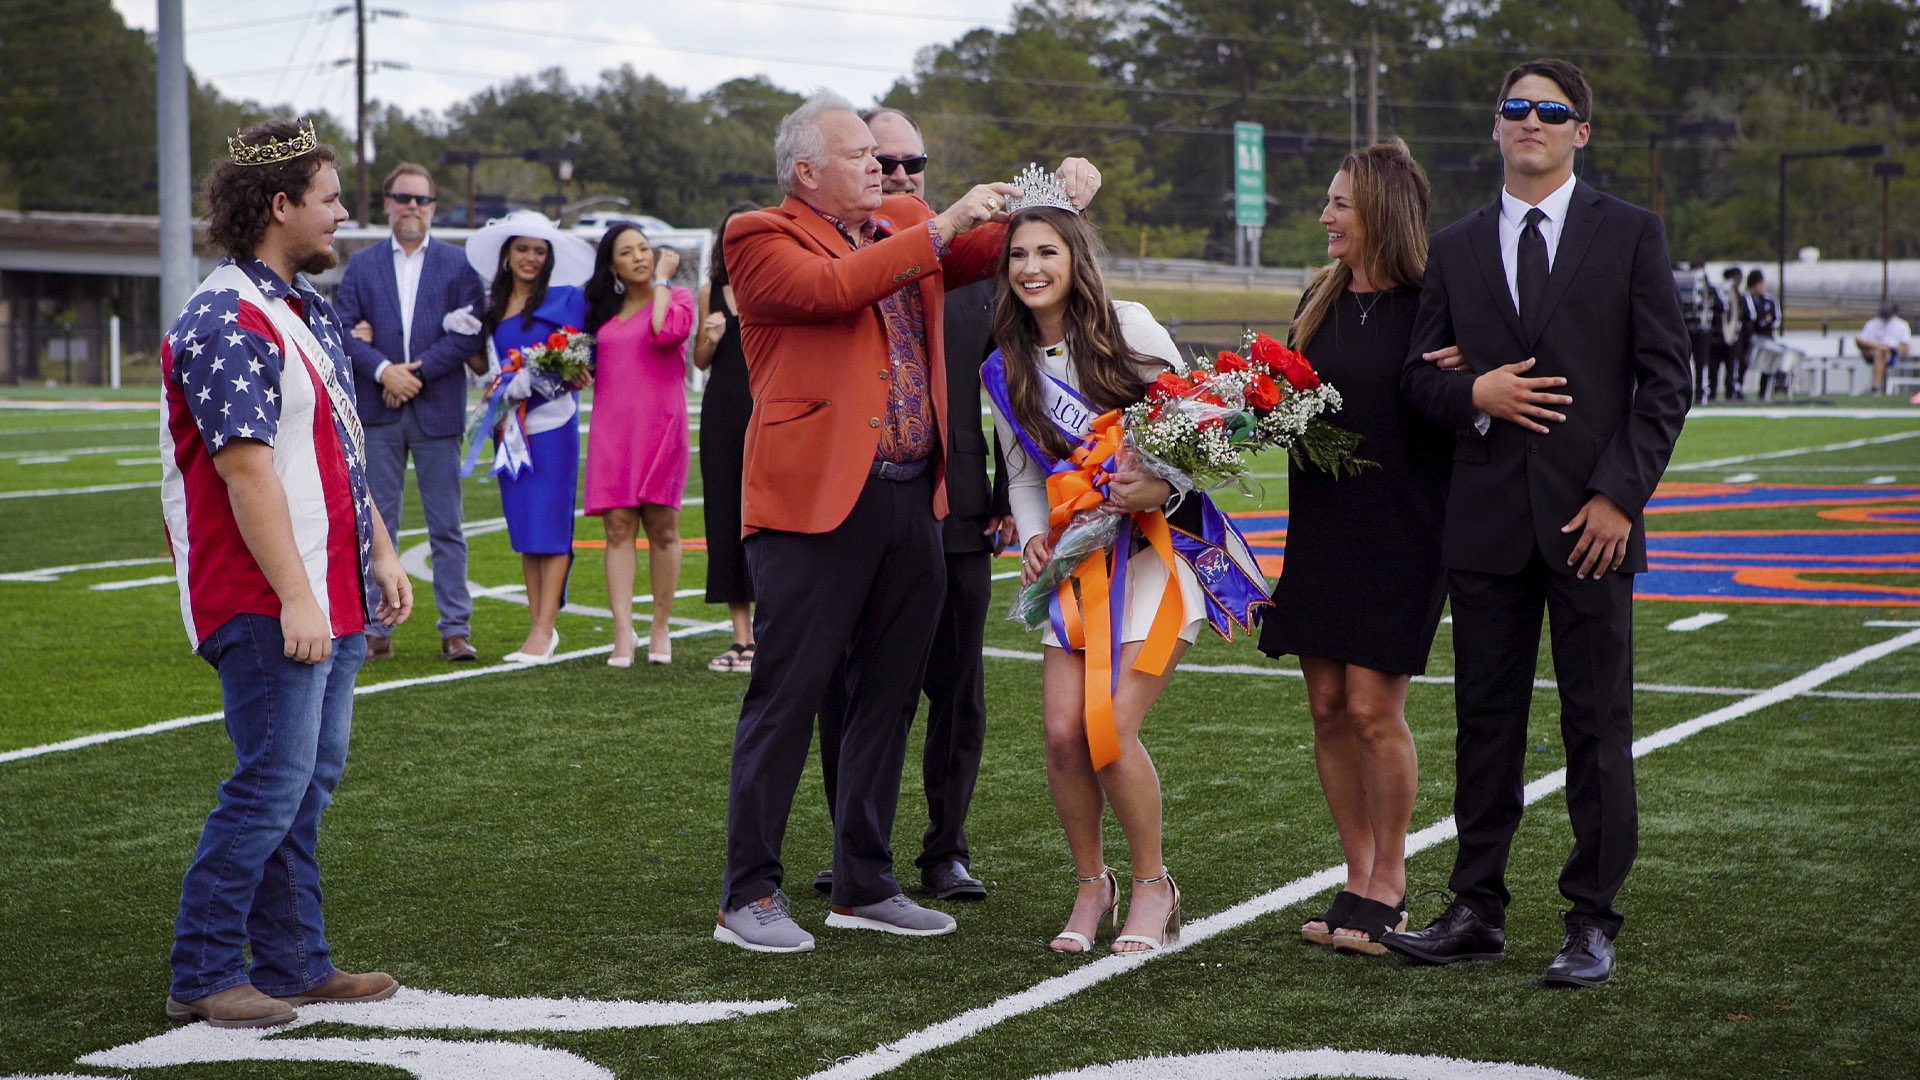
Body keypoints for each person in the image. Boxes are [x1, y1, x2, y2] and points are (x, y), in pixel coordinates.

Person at [712, 88, 1099, 954]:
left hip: (912, 496)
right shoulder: (759, 235)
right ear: (805, 171)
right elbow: (832, 289)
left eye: (885, 160)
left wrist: (1061, 196)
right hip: (813, 506)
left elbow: (1006, 248)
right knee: (788, 698)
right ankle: (748, 894)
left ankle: (864, 883)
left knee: (888, 700)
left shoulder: (904, 225)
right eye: (861, 157)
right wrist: (940, 225)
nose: (881, 170)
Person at [1390, 59, 1691, 988]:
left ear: (1579, 133)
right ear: (1495, 126)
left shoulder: (1630, 233)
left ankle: (1591, 920)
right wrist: (1472, 394)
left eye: (1551, 111)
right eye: (1516, 108)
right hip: (1486, 523)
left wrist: (1618, 496)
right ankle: (1475, 909)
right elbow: (1417, 381)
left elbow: (1666, 382)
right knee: (1486, 724)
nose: (1532, 121)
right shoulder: (1457, 246)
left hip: (1593, 522)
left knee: (1597, 723)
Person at [158, 118, 412, 1027]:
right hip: (268, 595)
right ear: (279, 205)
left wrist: (380, 545)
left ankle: (296, 961)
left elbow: (337, 444)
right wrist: (299, 596)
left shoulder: (304, 307)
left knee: (303, 786)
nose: (344, 214)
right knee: (270, 784)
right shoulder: (227, 317)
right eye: (331, 199)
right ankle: (204, 970)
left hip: (322, 587)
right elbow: (245, 470)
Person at [986, 195, 1270, 954]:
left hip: (1160, 551)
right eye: (1018, 255)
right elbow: (1022, 473)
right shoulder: (1005, 363)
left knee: (1108, 729)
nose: (1031, 268)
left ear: (1076, 258)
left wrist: (1159, 487)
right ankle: (1093, 884)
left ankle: (1153, 885)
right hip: (1081, 562)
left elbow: (1200, 434)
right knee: (1061, 735)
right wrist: (1035, 535)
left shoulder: (1130, 326)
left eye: (1047, 251)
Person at [814, 107, 1015, 904]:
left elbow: (1017, 394)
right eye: (883, 161)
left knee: (957, 692)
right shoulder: (836, 259)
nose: (899, 175)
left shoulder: (973, 267)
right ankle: (855, 848)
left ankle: (945, 850)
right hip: (856, 510)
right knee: (853, 689)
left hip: (957, 509)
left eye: (912, 163)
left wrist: (1009, 497)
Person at [1257, 141, 1453, 956]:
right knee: (1329, 708)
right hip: (1323, 524)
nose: (1325, 216)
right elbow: (1291, 405)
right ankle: (1356, 872)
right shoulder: (1319, 298)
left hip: (1404, 527)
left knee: (1375, 710)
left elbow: (1451, 404)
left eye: (1340, 204)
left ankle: (1391, 883)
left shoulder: (1437, 302)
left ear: (1380, 210)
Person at [336, 162, 487, 662]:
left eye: (422, 199)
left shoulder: (458, 265)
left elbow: (469, 334)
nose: (413, 207)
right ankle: (377, 628)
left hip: (437, 411)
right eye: (403, 198)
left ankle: (455, 629)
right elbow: (342, 331)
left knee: (447, 528)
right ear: (387, 204)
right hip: (377, 412)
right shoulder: (362, 265)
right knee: (377, 526)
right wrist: (384, 372)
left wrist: (412, 375)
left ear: (433, 207)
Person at [467, 210, 596, 663]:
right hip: (508, 429)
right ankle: (537, 626)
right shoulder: (491, 306)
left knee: (551, 528)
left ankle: (544, 630)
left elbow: (583, 359)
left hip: (552, 427)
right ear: (507, 254)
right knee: (525, 528)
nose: (530, 258)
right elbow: (485, 365)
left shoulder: (566, 299)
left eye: (540, 251)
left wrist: (549, 376)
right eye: (522, 249)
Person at [582, 224, 694, 667]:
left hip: (662, 427)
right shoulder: (601, 312)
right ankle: (622, 631)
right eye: (626, 253)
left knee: (663, 529)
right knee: (617, 529)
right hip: (612, 431)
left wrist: (663, 281)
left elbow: (664, 333)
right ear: (612, 266)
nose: (639, 258)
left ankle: (660, 627)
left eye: (644, 248)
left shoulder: (678, 297)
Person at [694, 202, 759, 674]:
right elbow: (700, 361)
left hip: (770, 411)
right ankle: (742, 637)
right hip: (721, 414)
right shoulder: (709, 292)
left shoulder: (776, 284)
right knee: (726, 518)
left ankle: (772, 633)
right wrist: (711, 337)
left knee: (770, 520)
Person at [1856, 302, 1911, 395]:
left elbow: (1905, 347)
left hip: (1890, 355)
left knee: (1880, 352)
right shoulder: (1872, 323)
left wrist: (1890, 349)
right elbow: (1861, 340)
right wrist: (1880, 346)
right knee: (1858, 338)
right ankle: (1881, 347)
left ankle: (1876, 387)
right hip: (1869, 353)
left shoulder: (1901, 325)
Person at [1745, 269, 1783, 400]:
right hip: (1750, 339)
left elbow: (1775, 319)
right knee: (1744, 365)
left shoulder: (1769, 301)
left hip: (1767, 338)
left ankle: (1763, 393)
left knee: (1767, 366)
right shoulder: (1747, 299)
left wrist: (1767, 321)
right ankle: (1738, 392)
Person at [1719, 267, 1753, 400]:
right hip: (1724, 338)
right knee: (1725, 366)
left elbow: (1750, 317)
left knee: (1735, 366)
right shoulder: (1722, 295)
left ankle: (1733, 392)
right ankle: (1727, 392)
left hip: (1738, 338)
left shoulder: (1743, 297)